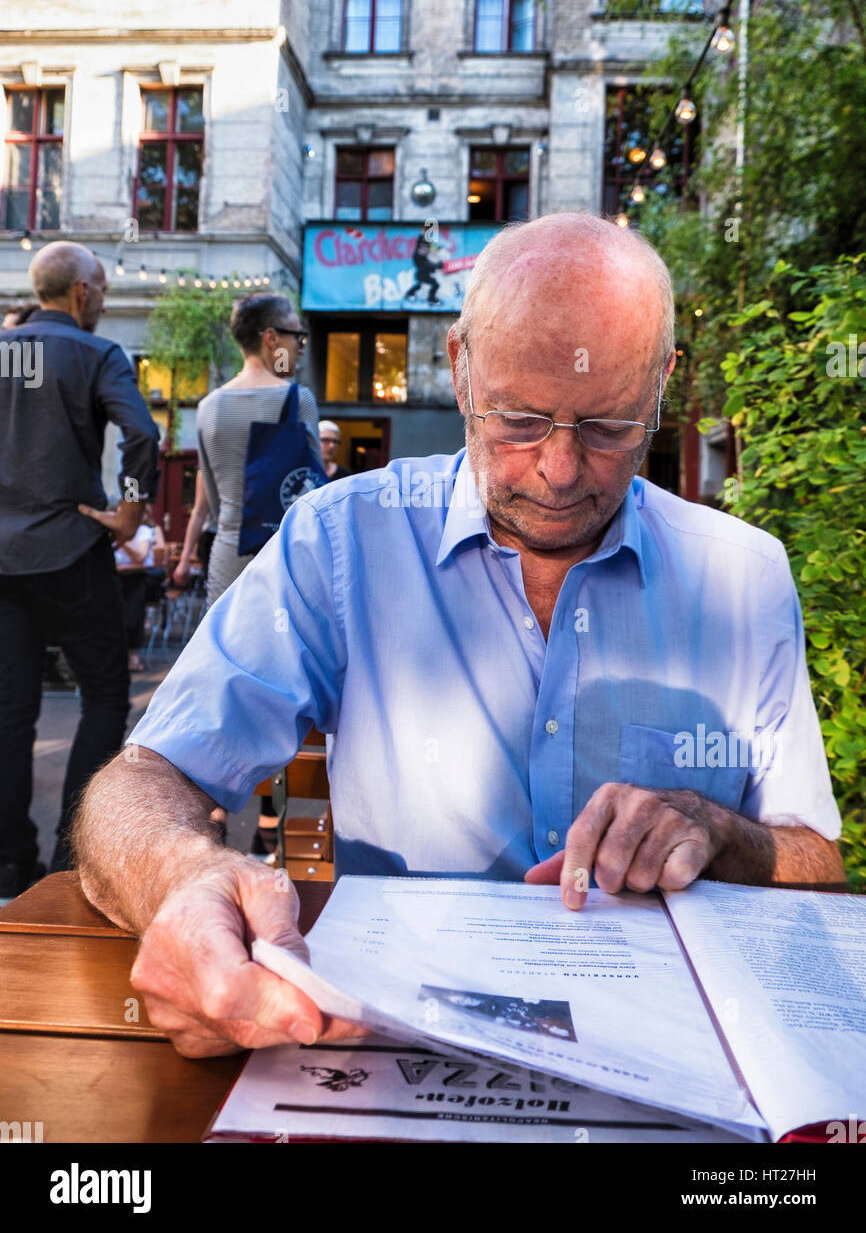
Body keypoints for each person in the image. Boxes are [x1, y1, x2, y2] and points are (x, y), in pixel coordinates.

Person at [73, 212, 846, 1060]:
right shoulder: (342, 542)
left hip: (675, 1062)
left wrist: (720, 829)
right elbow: (142, 782)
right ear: (458, 366)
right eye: (518, 419)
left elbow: (817, 863)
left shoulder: (743, 576)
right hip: (398, 1054)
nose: (557, 470)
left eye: (609, 427)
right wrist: (181, 879)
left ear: (660, 384)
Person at [0, 242, 160, 892]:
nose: (104, 299)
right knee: (105, 694)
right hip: (70, 548)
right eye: (101, 288)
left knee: (10, 710)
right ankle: (72, 860)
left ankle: (10, 858)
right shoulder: (97, 353)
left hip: (3, 562)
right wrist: (129, 511)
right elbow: (141, 433)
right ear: (81, 294)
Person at [193, 294, 321, 609]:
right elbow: (313, 489)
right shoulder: (298, 399)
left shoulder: (209, 407)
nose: (301, 347)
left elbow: (213, 499)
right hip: (285, 553)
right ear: (271, 337)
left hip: (227, 552)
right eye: (297, 336)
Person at [115, 504, 166, 672]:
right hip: (119, 578)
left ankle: (131, 653)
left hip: (141, 579)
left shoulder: (143, 531)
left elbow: (140, 558)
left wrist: (121, 541)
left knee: (133, 596)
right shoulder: (114, 531)